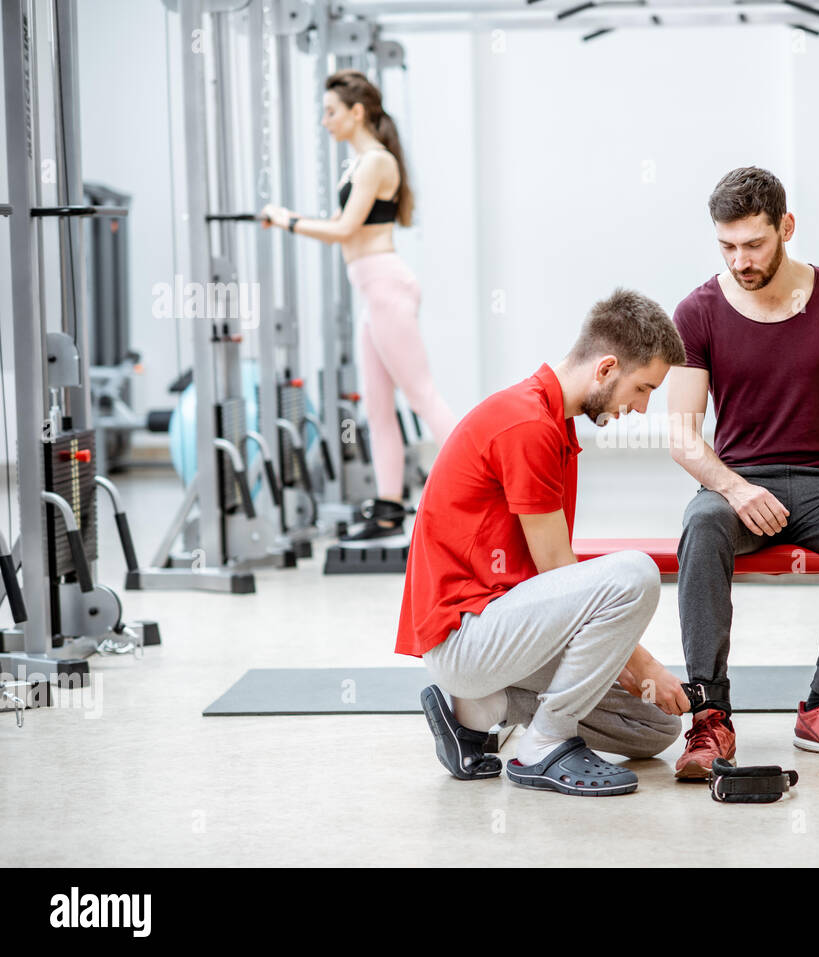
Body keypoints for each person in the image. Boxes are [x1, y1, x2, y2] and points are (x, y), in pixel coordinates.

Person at [667, 167, 819, 779]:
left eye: (754, 243)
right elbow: (681, 432)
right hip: (740, 480)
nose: (740, 260)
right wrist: (733, 487)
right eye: (727, 246)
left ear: (786, 227)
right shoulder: (697, 311)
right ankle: (710, 714)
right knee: (702, 524)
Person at [398, 289, 692, 797]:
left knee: (655, 728)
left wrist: (633, 670)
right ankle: (542, 747)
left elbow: (554, 588)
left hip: (505, 632)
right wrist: (644, 664)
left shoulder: (555, 423)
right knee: (636, 573)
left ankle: (482, 709)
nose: (641, 408)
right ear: (605, 369)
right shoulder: (527, 423)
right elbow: (559, 571)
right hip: (466, 638)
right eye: (643, 389)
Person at [261, 69, 455, 540]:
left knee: (422, 394)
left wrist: (286, 221)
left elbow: (345, 231)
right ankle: (389, 506)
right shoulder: (359, 164)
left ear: (356, 112)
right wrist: (293, 219)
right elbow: (336, 223)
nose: (325, 121)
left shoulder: (375, 162)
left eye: (331, 112)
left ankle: (484, 485)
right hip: (373, 289)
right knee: (377, 406)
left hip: (386, 285)